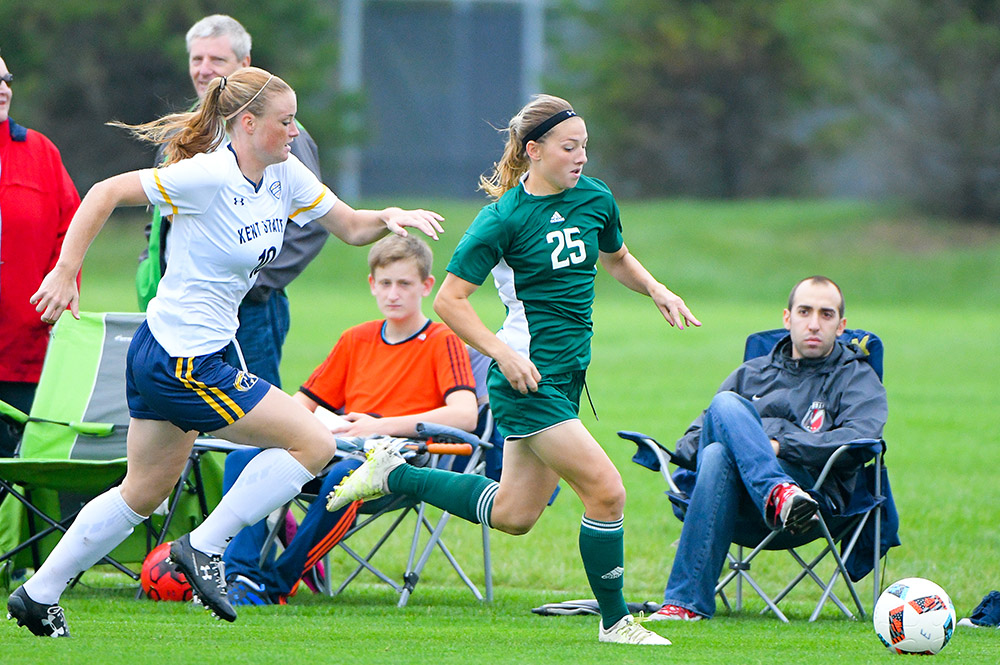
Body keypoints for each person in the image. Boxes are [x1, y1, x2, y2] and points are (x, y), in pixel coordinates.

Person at [6, 66, 443, 637]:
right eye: (285, 122)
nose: (294, 132)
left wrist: (389, 218)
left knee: (142, 492)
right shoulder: (206, 175)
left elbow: (351, 227)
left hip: (169, 353)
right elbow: (104, 193)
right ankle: (204, 545)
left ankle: (37, 595)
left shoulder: (285, 175)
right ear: (247, 123)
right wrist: (65, 271)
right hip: (182, 361)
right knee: (311, 440)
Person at [327, 94, 699, 645]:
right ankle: (616, 622)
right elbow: (450, 301)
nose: (581, 158)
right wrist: (502, 354)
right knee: (607, 491)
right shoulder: (501, 219)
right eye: (570, 147)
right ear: (534, 150)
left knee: (515, 512)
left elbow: (615, 256)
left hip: (568, 376)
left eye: (585, 147)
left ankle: (392, 474)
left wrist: (656, 289)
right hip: (527, 380)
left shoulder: (595, 198)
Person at [221, 233, 478, 605]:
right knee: (242, 458)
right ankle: (239, 576)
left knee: (347, 476)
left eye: (405, 284)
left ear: (426, 286)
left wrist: (377, 425)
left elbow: (465, 414)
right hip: (338, 448)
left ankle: (277, 583)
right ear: (372, 285)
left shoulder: (443, 340)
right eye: (385, 283)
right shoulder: (356, 339)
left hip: (400, 463)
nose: (394, 294)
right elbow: (301, 404)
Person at [646, 276, 888, 622]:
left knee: (721, 444)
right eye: (804, 312)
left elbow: (860, 438)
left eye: (826, 314)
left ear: (841, 325)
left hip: (813, 501)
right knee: (723, 419)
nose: (814, 324)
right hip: (741, 503)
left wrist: (778, 442)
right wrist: (751, 443)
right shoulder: (750, 374)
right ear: (787, 318)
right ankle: (776, 491)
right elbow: (690, 444)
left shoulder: (856, 378)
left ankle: (685, 602)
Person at [137, 14, 328, 388]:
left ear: (245, 64)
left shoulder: (282, 133)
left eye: (217, 61)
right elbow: (163, 210)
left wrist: (254, 281)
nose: (205, 70)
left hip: (250, 308)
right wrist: (152, 257)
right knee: (184, 421)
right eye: (197, 59)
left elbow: (315, 222)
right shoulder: (186, 129)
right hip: (180, 307)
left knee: (256, 420)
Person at [0, 54, 82, 457]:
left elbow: (72, 229)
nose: (2, 89)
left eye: (6, 79)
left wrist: (64, 289)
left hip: (26, 348)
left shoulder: (40, 152)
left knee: (21, 472)